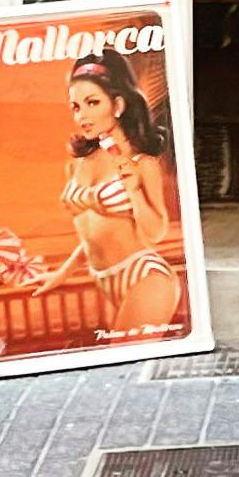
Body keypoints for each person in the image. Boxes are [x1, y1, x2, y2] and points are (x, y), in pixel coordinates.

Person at [57, 49, 188, 335]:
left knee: (126, 356)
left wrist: (135, 193)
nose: (83, 116)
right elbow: (93, 231)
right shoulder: (78, 164)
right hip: (102, 280)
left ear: (117, 105)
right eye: (76, 107)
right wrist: (61, 273)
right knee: (116, 366)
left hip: (144, 276)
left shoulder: (143, 164)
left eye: (92, 103)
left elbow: (155, 232)